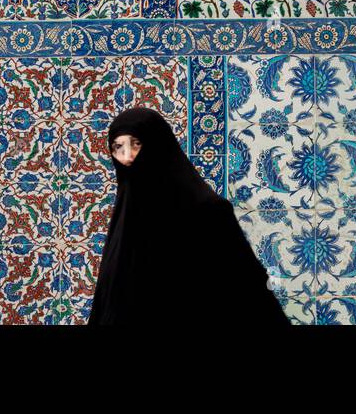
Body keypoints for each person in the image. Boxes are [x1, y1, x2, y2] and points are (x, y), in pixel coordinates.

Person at [87, 106, 289, 326]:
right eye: (118, 147)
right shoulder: (126, 218)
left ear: (159, 145)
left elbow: (245, 292)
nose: (127, 158)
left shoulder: (208, 212)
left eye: (136, 143)